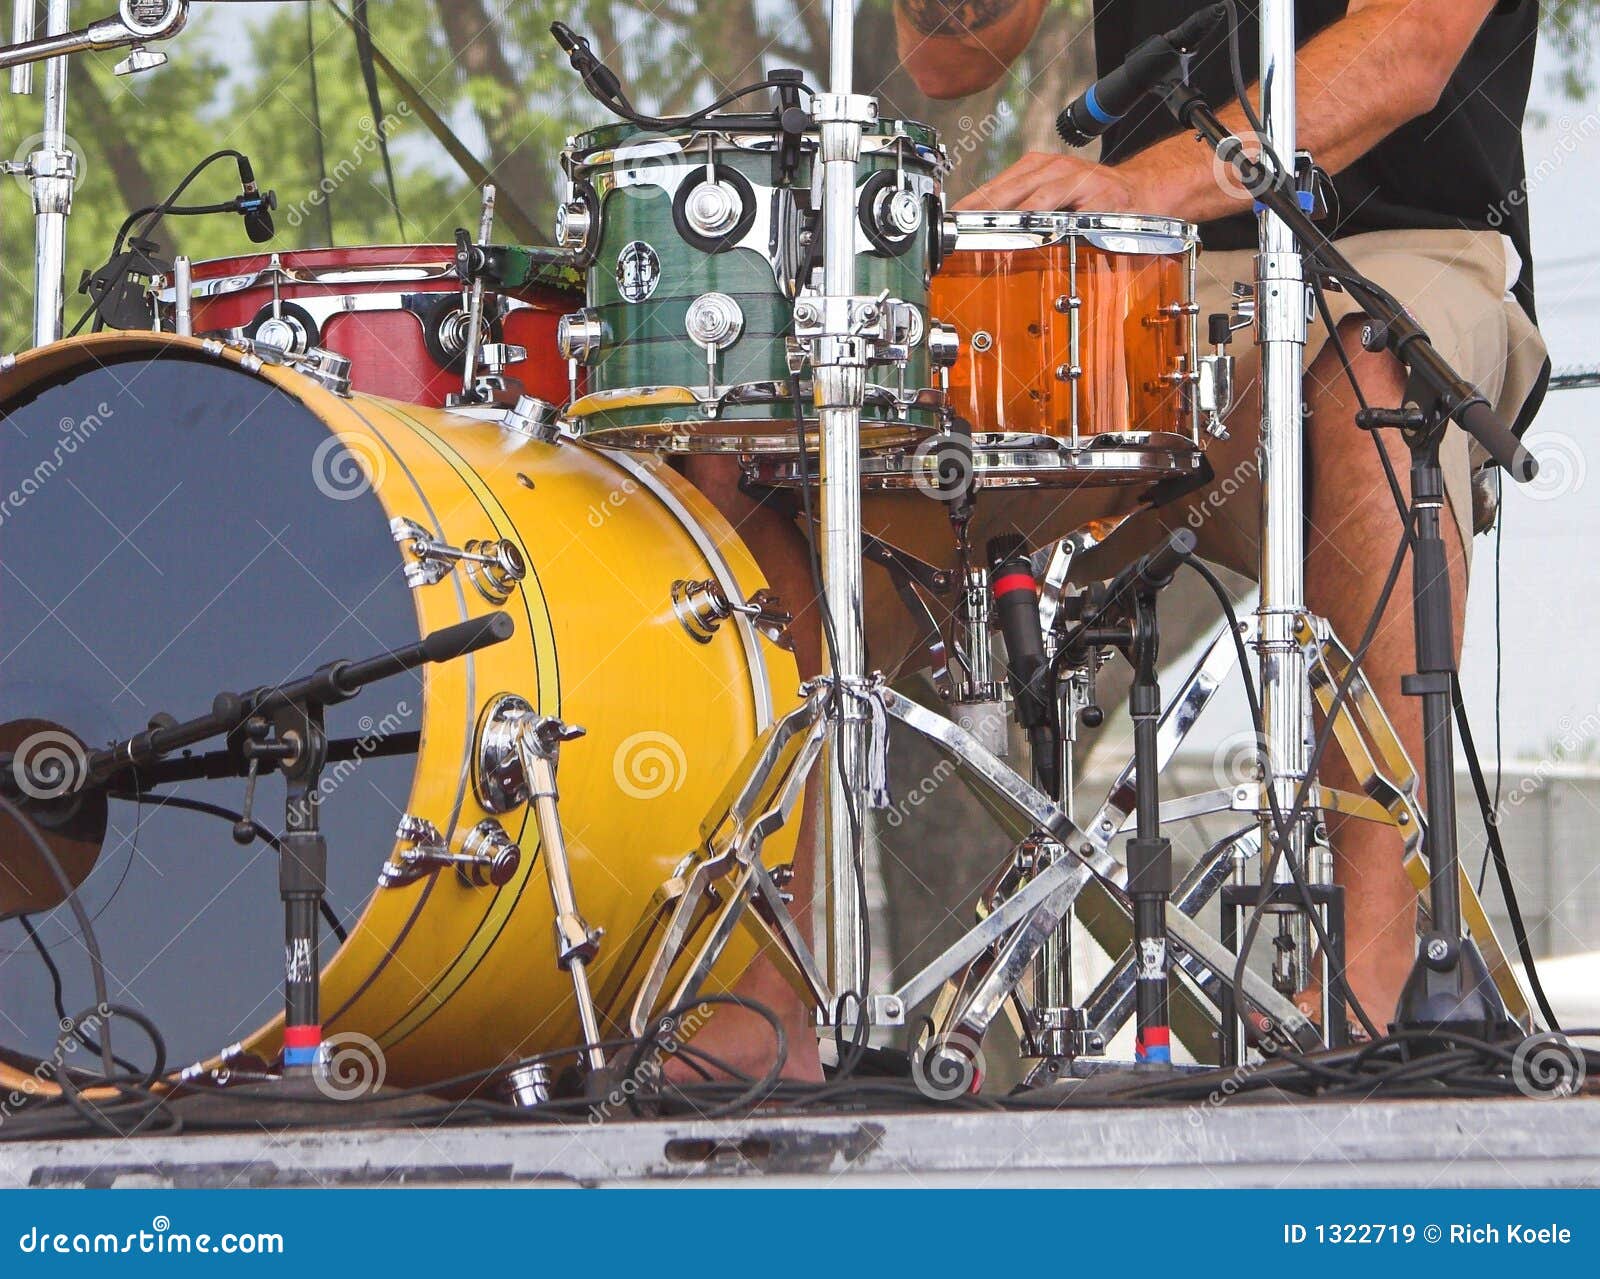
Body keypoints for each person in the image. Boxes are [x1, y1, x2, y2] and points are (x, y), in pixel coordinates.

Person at [890, 0, 1548, 1030]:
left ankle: (1371, 971)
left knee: (1368, 360)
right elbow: (944, 58)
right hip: (1141, 271)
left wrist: (1138, 182)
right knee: (838, 425)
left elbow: (1412, 48)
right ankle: (775, 990)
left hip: (1400, 254)